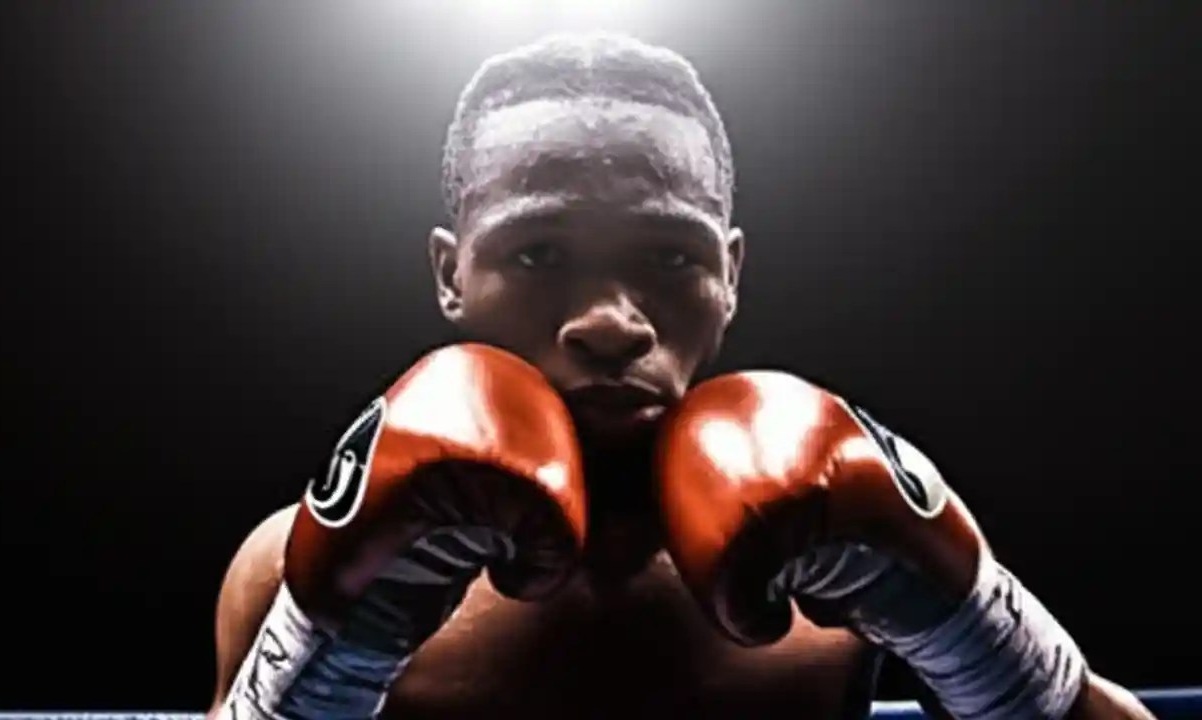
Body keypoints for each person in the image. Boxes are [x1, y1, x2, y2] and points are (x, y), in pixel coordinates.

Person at [206, 33, 1153, 719]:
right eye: (537, 254)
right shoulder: (294, 563)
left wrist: (968, 629)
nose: (611, 321)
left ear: (729, 275)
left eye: (669, 258)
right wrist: (336, 652)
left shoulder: (853, 555)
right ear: (452, 272)